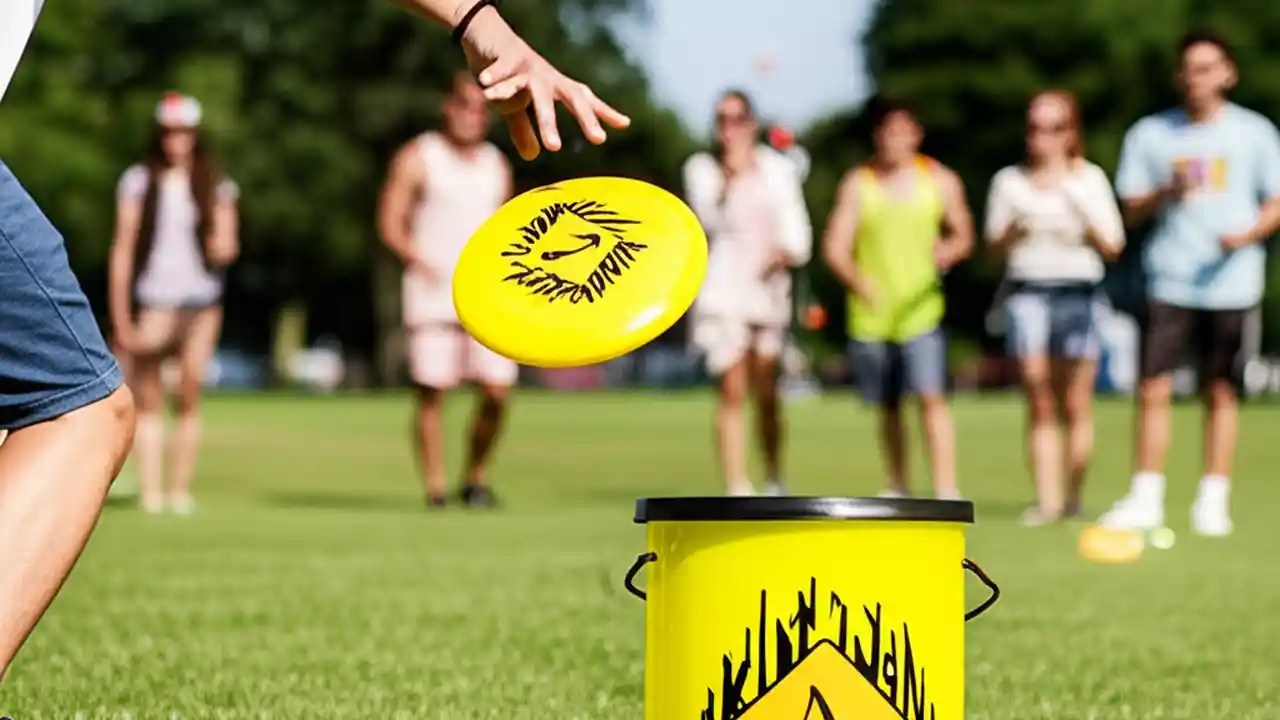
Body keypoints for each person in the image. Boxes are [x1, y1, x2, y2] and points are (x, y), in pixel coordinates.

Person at [0, 0, 628, 680]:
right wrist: (482, 24)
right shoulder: (413, 159)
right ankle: (438, 486)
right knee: (77, 411)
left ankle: (464, 481)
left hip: (209, 297)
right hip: (405, 291)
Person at [1101, 29, 1280, 536]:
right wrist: (1163, 191)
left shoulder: (1256, 133)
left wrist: (1246, 235)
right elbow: (1128, 208)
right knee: (1153, 386)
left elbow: (1276, 201)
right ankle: (1146, 495)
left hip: (1233, 282)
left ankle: (1212, 498)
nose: (1197, 78)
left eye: (1208, 67)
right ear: (1179, 76)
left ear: (1228, 73)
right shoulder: (1152, 135)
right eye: (1190, 69)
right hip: (1170, 278)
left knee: (1221, 390)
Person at [822, 97, 973, 500]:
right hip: (873, 314)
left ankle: (945, 488)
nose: (895, 140)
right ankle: (899, 484)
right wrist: (857, 281)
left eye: (903, 131)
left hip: (921, 310)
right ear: (878, 136)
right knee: (888, 406)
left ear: (916, 135)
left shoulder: (939, 180)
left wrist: (950, 249)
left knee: (930, 397)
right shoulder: (859, 184)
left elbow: (963, 233)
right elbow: (835, 247)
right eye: (888, 131)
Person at [986, 90, 1126, 526]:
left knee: (1076, 400)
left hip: (1078, 291)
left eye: (1052, 127)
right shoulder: (1009, 182)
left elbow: (1113, 245)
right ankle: (1045, 500)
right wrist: (1016, 224)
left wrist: (1078, 209)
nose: (1041, 137)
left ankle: (1073, 495)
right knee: (1038, 394)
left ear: (1070, 132)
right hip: (1029, 290)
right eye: (1034, 127)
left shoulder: (1089, 181)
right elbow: (993, 246)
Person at [378, 72, 516, 508]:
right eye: (464, 104)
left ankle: (474, 478)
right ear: (448, 106)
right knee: (433, 391)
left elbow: (509, 232)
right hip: (433, 291)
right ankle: (435, 488)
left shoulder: (497, 164)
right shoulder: (420, 157)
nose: (472, 115)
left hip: (488, 295)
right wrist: (420, 261)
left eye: (481, 108)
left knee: (496, 391)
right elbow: (390, 222)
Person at [108, 93, 240, 515]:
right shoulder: (138, 182)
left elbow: (228, 242)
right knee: (147, 397)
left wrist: (223, 245)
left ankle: (179, 490)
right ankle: (151, 492)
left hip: (201, 302)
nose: (175, 141)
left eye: (183, 132)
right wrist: (121, 315)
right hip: (155, 299)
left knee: (188, 393)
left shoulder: (215, 183)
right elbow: (123, 249)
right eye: (169, 132)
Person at [684, 90, 813, 496]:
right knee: (731, 388)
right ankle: (737, 484)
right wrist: (731, 176)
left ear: (751, 124)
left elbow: (796, 231)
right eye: (722, 119)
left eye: (737, 119)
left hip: (768, 293)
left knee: (767, 391)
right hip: (723, 292)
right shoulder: (703, 169)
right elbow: (705, 220)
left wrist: (784, 253)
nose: (729, 128)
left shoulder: (779, 170)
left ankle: (775, 473)